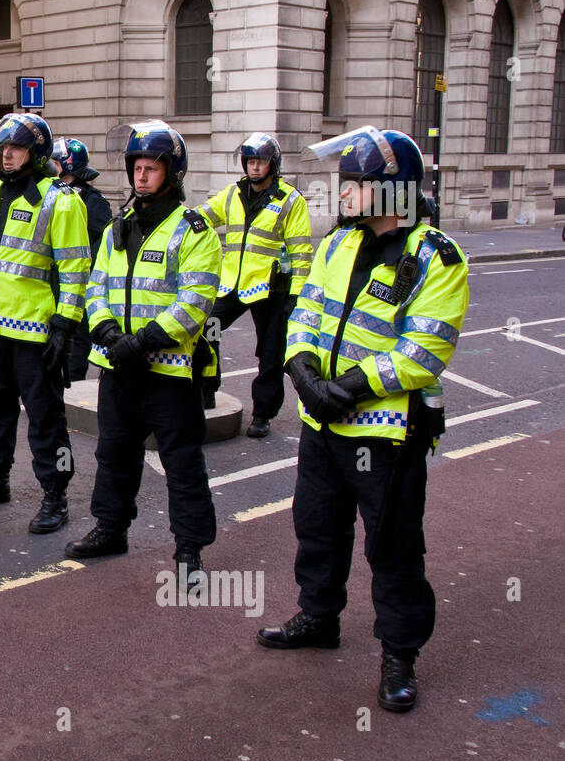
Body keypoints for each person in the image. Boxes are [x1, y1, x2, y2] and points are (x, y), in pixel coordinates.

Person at [257, 126, 470, 714]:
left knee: (393, 545)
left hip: (385, 433)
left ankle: (399, 653)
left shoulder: (435, 256)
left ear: (393, 190)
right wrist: (301, 373)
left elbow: (424, 351)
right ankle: (319, 616)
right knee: (317, 525)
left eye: (355, 184)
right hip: (322, 421)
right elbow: (305, 313)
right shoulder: (336, 245)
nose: (344, 193)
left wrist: (348, 388)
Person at [67, 121, 221, 572]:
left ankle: (189, 547)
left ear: (171, 174)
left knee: (182, 461)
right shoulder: (121, 226)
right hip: (119, 366)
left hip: (168, 371)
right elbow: (96, 287)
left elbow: (193, 304)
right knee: (114, 453)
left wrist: (142, 341)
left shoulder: (194, 232)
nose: (141, 176)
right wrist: (109, 334)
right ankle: (110, 528)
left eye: (151, 168)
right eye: (136, 167)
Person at [0, 112, 90, 535]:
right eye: (3, 148)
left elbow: (75, 269)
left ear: (35, 154)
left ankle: (55, 495)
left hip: (35, 332)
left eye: (15, 148)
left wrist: (66, 326)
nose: (6, 155)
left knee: (46, 418)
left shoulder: (60, 200)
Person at [196, 132, 313, 437]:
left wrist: (296, 295)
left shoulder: (289, 200)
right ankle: (208, 389)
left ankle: (263, 414)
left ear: (272, 164)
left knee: (271, 354)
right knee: (206, 329)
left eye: (260, 161)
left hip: (270, 288)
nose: (254, 167)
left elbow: (301, 251)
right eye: (250, 160)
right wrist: (177, 219)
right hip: (232, 283)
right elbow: (203, 216)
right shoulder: (233, 194)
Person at [51, 138, 113, 381]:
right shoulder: (51, 195)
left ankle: (72, 400)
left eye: (54, 162)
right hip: (52, 287)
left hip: (78, 290)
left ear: (66, 166)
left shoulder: (93, 202)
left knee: (74, 352)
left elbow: (97, 253)